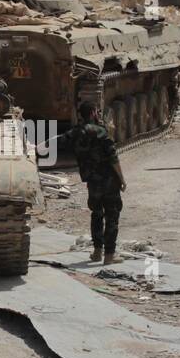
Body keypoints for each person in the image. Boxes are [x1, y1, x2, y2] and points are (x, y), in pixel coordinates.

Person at [57, 101, 127, 264]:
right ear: (94, 113)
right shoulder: (101, 132)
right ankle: (109, 255)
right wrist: (122, 179)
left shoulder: (75, 133)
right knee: (112, 216)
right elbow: (113, 158)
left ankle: (97, 252)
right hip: (109, 181)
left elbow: (60, 141)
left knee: (96, 215)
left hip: (92, 183)